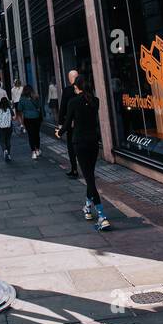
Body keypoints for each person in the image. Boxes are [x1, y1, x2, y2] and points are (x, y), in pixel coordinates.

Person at [62, 73, 110, 231]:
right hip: (93, 143)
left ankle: (102, 216)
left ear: (77, 86)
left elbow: (68, 123)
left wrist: (59, 132)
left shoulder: (73, 102)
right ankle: (87, 208)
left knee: (90, 179)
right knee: (90, 175)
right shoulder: (95, 101)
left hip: (80, 143)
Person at [56, 70, 79, 178]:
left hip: (71, 124)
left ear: (70, 79)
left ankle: (74, 169)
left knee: (71, 146)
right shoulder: (86, 89)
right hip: (83, 124)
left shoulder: (67, 90)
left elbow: (63, 107)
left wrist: (61, 123)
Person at [17, 84, 44, 160]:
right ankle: (38, 149)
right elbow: (39, 106)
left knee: (30, 135)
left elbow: (19, 109)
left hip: (27, 118)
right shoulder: (36, 97)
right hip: (36, 117)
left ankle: (33, 152)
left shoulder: (22, 99)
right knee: (36, 134)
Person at [0, 91, 15, 161]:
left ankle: (5, 150)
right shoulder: (9, 109)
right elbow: (14, 117)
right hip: (9, 127)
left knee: (2, 140)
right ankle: (8, 154)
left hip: (1, 128)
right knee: (8, 140)